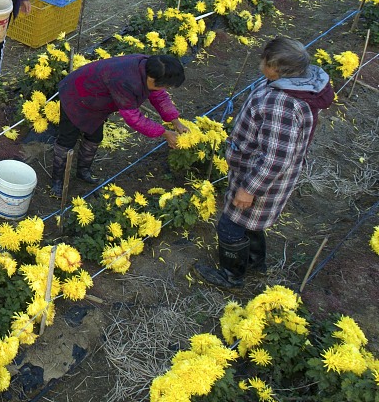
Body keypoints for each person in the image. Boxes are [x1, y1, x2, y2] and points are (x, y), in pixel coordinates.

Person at [196, 37, 334, 288]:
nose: (260, 61)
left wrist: (249, 189)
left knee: (231, 224)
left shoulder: (282, 103)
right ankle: (255, 264)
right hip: (257, 171)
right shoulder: (293, 84)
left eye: (264, 59)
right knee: (250, 222)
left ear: (276, 68)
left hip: (261, 178)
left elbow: (276, 157)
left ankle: (232, 276)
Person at [53, 54, 189, 195]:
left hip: (97, 100)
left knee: (94, 137)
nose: (165, 88)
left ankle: (83, 171)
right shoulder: (126, 80)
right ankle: (57, 180)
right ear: (153, 79)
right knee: (67, 140)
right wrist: (165, 133)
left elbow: (159, 96)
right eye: (166, 85)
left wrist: (175, 121)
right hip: (76, 95)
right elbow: (133, 118)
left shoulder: (153, 67)